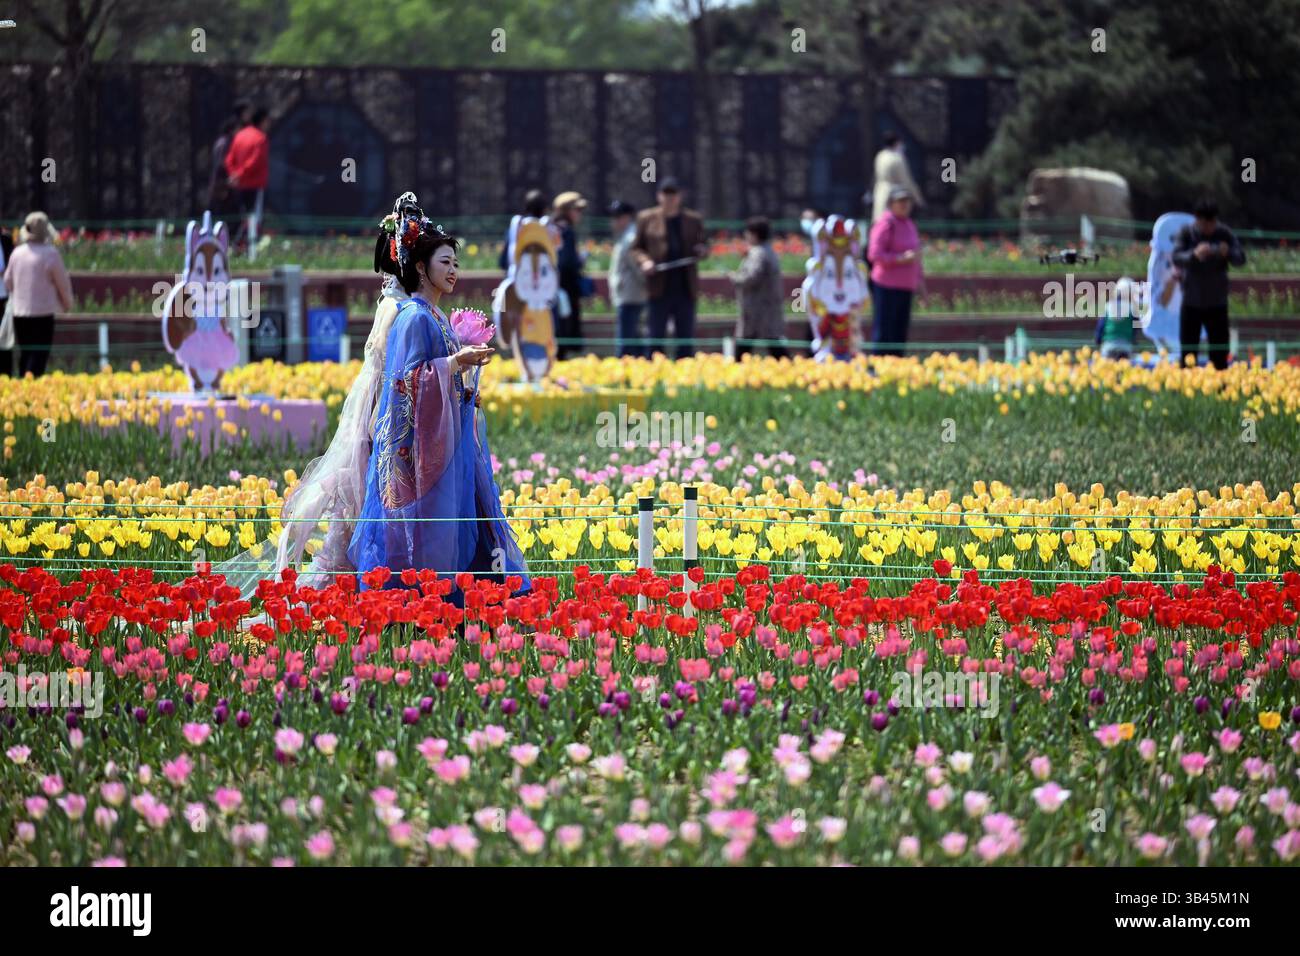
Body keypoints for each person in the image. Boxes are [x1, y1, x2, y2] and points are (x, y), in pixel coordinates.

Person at [348, 200, 530, 601]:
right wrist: (452, 364)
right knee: (432, 534)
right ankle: (425, 606)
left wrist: (462, 387)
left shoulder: (435, 316)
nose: (453, 271)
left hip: (448, 448)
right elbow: (406, 383)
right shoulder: (413, 317)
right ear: (419, 267)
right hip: (421, 460)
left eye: (455, 264)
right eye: (445, 262)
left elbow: (433, 377)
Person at [632, 177, 708, 359]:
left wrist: (701, 250)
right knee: (655, 334)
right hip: (659, 287)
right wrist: (645, 261)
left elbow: (703, 244)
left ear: (680, 197)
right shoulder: (646, 218)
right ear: (659, 196)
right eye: (666, 195)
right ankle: (655, 370)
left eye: (673, 195)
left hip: (684, 287)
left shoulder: (693, 220)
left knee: (685, 336)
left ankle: (685, 372)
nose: (670, 199)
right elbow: (636, 248)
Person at [1171, 198, 1246, 370]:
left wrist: (1227, 253)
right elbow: (1176, 256)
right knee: (1188, 354)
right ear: (1196, 220)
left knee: (1220, 355)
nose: (1207, 228)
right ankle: (1187, 390)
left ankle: (1220, 390)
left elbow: (1241, 258)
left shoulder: (1224, 233)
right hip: (1191, 302)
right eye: (1203, 223)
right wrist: (1194, 254)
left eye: (1211, 223)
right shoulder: (1187, 233)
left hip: (1217, 304)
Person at [1, 212, 73, 377]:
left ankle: (23, 389)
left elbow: (8, 282)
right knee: (38, 356)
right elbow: (63, 283)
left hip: (20, 313)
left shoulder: (17, 254)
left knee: (26, 354)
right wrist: (67, 304)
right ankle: (32, 390)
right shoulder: (51, 254)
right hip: (43, 314)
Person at [867, 187, 921, 357]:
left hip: (906, 286)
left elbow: (916, 257)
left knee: (900, 331)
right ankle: (880, 364)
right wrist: (899, 259)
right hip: (886, 285)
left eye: (907, 201)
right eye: (900, 201)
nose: (905, 205)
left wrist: (920, 283)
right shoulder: (885, 224)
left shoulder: (910, 224)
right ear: (891, 204)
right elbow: (874, 254)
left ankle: (897, 366)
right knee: (884, 330)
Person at [730, 216, 787, 359]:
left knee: (745, 344)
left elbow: (751, 277)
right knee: (772, 342)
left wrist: (735, 277)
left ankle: (736, 376)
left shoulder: (758, 253)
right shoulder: (769, 251)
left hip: (757, 308)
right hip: (767, 306)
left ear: (754, 234)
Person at [225, 106, 271, 252]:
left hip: (239, 185)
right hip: (254, 185)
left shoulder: (239, 135)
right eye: (267, 121)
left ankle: (239, 245)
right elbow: (255, 161)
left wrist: (234, 175)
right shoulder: (260, 138)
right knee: (253, 218)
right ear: (262, 121)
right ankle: (244, 248)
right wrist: (240, 174)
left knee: (244, 216)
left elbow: (229, 159)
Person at [552, 191, 588, 360]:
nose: (579, 214)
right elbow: (566, 262)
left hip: (551, 287)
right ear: (566, 210)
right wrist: (579, 261)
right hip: (564, 286)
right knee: (563, 327)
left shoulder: (550, 227)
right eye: (577, 210)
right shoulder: (565, 231)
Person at [607, 199, 646, 357]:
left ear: (627, 218)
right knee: (632, 339)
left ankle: (625, 375)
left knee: (626, 343)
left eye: (617, 217)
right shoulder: (627, 235)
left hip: (631, 295)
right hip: (628, 294)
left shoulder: (631, 237)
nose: (613, 221)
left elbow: (638, 269)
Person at [870, 132, 924, 224]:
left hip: (881, 194)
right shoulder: (897, 158)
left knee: (880, 224)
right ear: (896, 143)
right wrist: (918, 199)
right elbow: (907, 181)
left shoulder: (880, 156)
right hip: (896, 198)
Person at [1095, 276, 1139, 360]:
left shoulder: (1108, 307)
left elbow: (1100, 327)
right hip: (1125, 348)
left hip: (1109, 347)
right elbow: (1136, 329)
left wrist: (1098, 340)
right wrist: (1133, 340)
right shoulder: (1132, 309)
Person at [207, 116, 240, 214]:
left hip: (219, 180)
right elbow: (222, 163)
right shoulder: (226, 142)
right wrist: (227, 180)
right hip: (222, 181)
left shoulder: (221, 141)